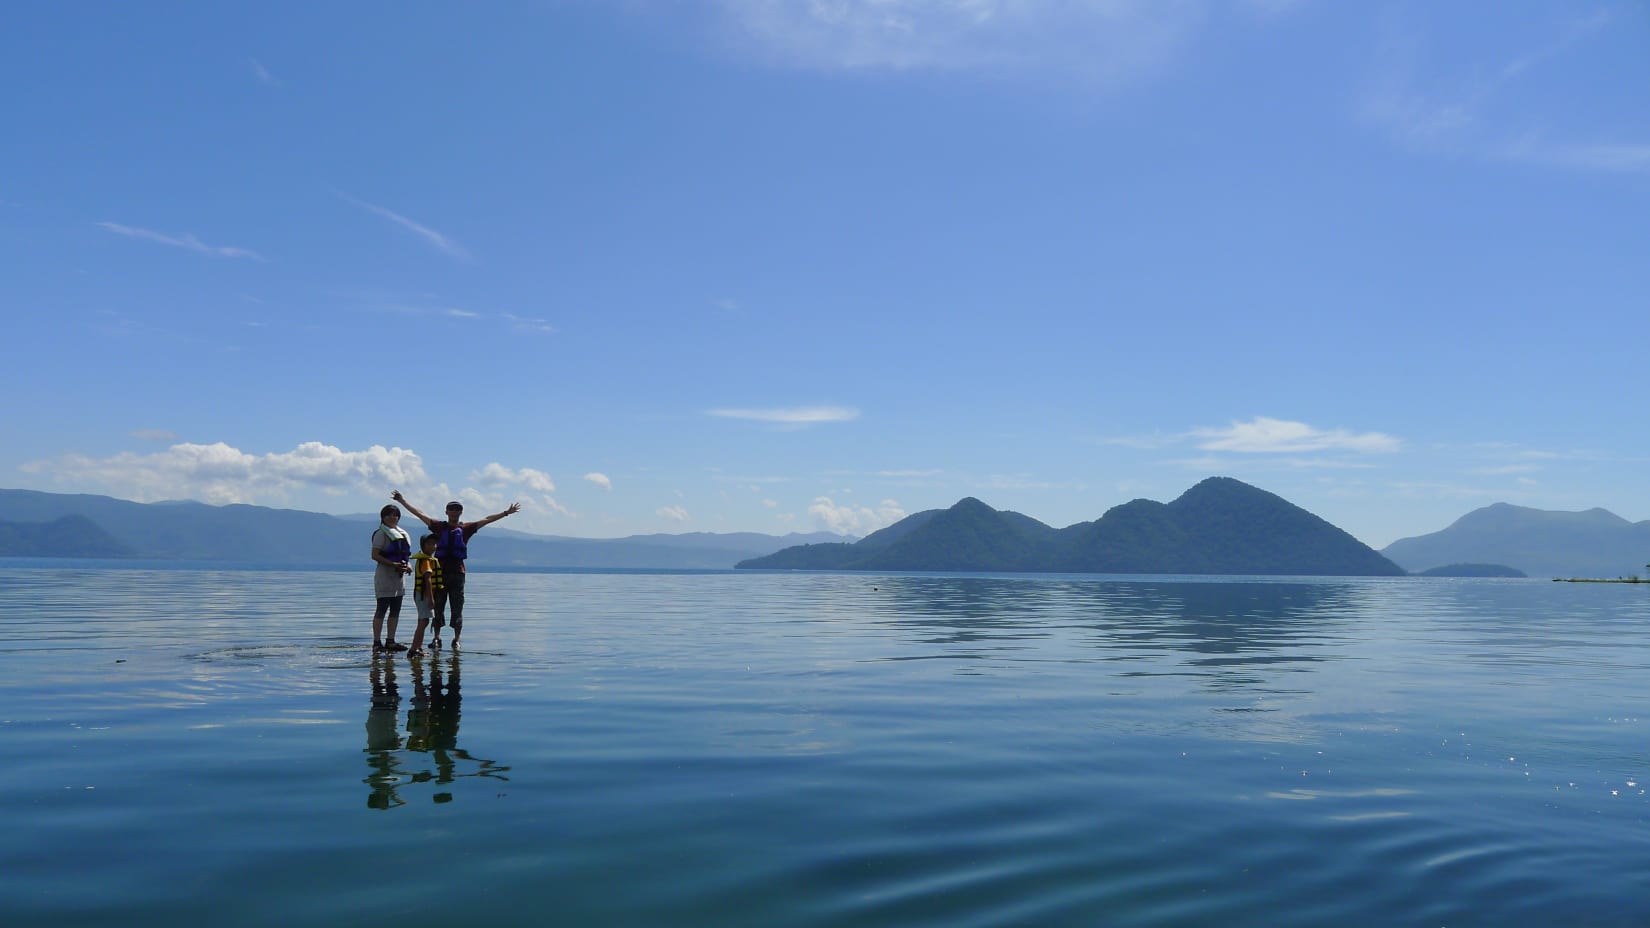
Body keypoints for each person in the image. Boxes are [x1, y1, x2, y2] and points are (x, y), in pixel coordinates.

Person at [391, 492, 521, 647]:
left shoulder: (466, 528)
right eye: (451, 509)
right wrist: (402, 501)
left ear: (461, 512)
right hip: (439, 573)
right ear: (446, 512)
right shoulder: (439, 527)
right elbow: (419, 513)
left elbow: (487, 520)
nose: (454, 512)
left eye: (457, 510)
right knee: (438, 606)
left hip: (458, 574)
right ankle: (436, 637)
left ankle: (456, 638)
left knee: (457, 606)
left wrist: (506, 513)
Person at [370, 504, 413, 652]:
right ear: (383, 517)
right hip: (384, 576)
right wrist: (393, 563)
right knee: (381, 609)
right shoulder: (380, 533)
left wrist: (408, 566)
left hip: (399, 578)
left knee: (396, 610)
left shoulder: (403, 534)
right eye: (388, 515)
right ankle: (376, 642)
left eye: (395, 515)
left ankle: (391, 641)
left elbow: (406, 556)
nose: (392, 517)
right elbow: (375, 555)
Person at [407, 533, 442, 654]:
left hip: (421, 594)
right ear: (423, 546)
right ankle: (413, 649)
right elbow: (427, 580)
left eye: (434, 543)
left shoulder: (427, 559)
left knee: (422, 620)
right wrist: (431, 598)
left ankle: (418, 646)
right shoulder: (426, 561)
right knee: (424, 621)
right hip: (424, 595)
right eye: (430, 544)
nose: (433, 546)